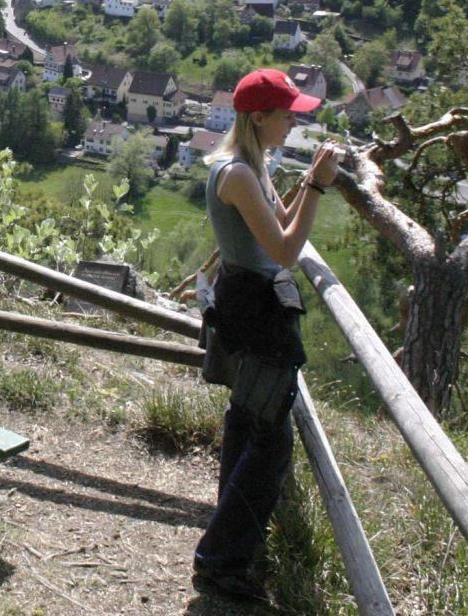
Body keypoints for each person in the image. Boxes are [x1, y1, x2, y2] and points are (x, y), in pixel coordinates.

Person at [191, 68, 340, 604]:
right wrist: (318, 186)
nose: (293, 123)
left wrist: (307, 184)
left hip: (248, 304)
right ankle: (220, 559)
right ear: (259, 117)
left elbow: (279, 228)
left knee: (249, 423)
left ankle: (225, 548)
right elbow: (284, 251)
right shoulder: (239, 175)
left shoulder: (252, 167)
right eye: (287, 115)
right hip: (256, 312)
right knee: (270, 442)